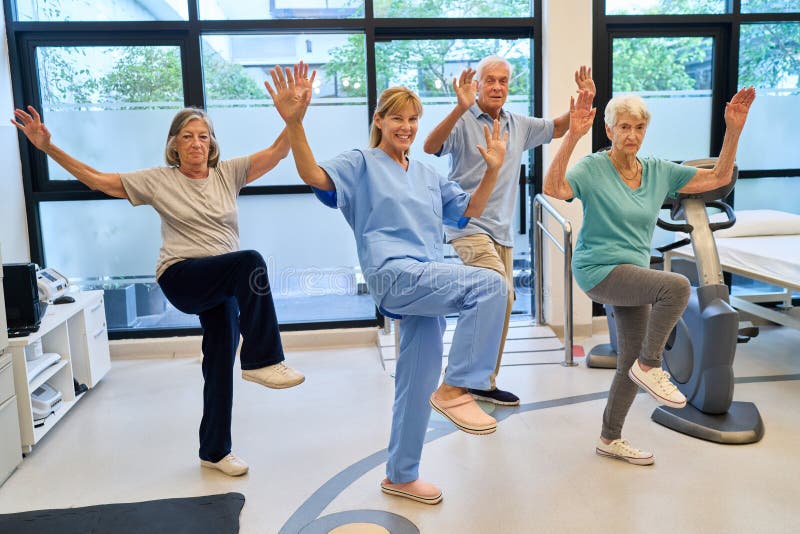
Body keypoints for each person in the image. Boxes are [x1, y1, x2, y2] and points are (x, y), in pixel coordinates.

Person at [11, 71, 312, 477]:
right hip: (182, 276)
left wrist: (296, 115)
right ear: (174, 144)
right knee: (251, 260)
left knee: (219, 361)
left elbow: (279, 152)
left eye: (203, 136)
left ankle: (215, 451)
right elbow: (99, 181)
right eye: (186, 136)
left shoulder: (229, 173)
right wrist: (49, 148)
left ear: (212, 143)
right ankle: (263, 359)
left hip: (220, 281)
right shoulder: (159, 180)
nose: (196, 143)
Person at [265, 65, 509, 504]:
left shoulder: (428, 173)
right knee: (491, 285)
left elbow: (466, 213)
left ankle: (400, 475)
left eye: (413, 119)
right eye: (397, 118)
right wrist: (295, 123)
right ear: (379, 120)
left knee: (415, 383)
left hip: (427, 280)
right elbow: (313, 177)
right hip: (395, 274)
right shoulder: (361, 163)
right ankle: (458, 388)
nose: (407, 127)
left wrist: (492, 171)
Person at [542, 86, 756, 465]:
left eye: (639, 127)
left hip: (633, 274)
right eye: (624, 127)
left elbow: (719, 178)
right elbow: (553, 187)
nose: (632, 135)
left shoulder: (657, 171)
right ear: (610, 130)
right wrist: (574, 133)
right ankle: (652, 365)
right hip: (597, 269)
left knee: (628, 363)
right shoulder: (593, 168)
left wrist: (734, 129)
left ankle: (610, 437)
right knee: (675, 285)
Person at [423, 58, 595, 406]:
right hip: (466, 225)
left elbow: (558, 127)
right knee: (498, 293)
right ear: (479, 84)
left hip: (500, 232)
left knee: (501, 301)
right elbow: (430, 146)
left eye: (503, 80)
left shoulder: (518, 124)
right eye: (490, 80)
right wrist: (459, 108)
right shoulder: (464, 120)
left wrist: (585, 101)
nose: (497, 86)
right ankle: (460, 380)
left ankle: (483, 381)